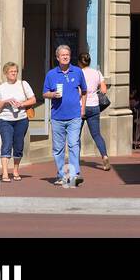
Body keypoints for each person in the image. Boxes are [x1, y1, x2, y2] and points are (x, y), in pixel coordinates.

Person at [42, 45, 88, 187]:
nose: (65, 57)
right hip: (57, 117)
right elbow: (44, 93)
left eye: (67, 54)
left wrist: (83, 109)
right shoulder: (51, 74)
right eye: (62, 55)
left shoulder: (78, 72)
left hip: (74, 115)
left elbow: (85, 91)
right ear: (57, 58)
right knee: (58, 148)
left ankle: (74, 175)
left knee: (74, 144)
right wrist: (52, 94)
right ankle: (62, 175)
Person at [0, 62, 35, 183]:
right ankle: (5, 172)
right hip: (5, 120)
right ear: (6, 73)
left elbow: (33, 99)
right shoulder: (1, 88)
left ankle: (15, 170)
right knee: (6, 144)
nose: (14, 74)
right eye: (11, 72)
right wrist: (5, 102)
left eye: (15, 71)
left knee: (19, 145)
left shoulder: (23, 84)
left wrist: (22, 104)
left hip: (21, 119)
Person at [78, 51, 110, 171]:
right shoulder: (97, 73)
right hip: (94, 106)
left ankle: (76, 161)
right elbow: (104, 90)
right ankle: (105, 156)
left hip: (81, 106)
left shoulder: (78, 73)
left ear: (79, 62)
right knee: (96, 135)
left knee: (76, 135)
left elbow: (79, 92)